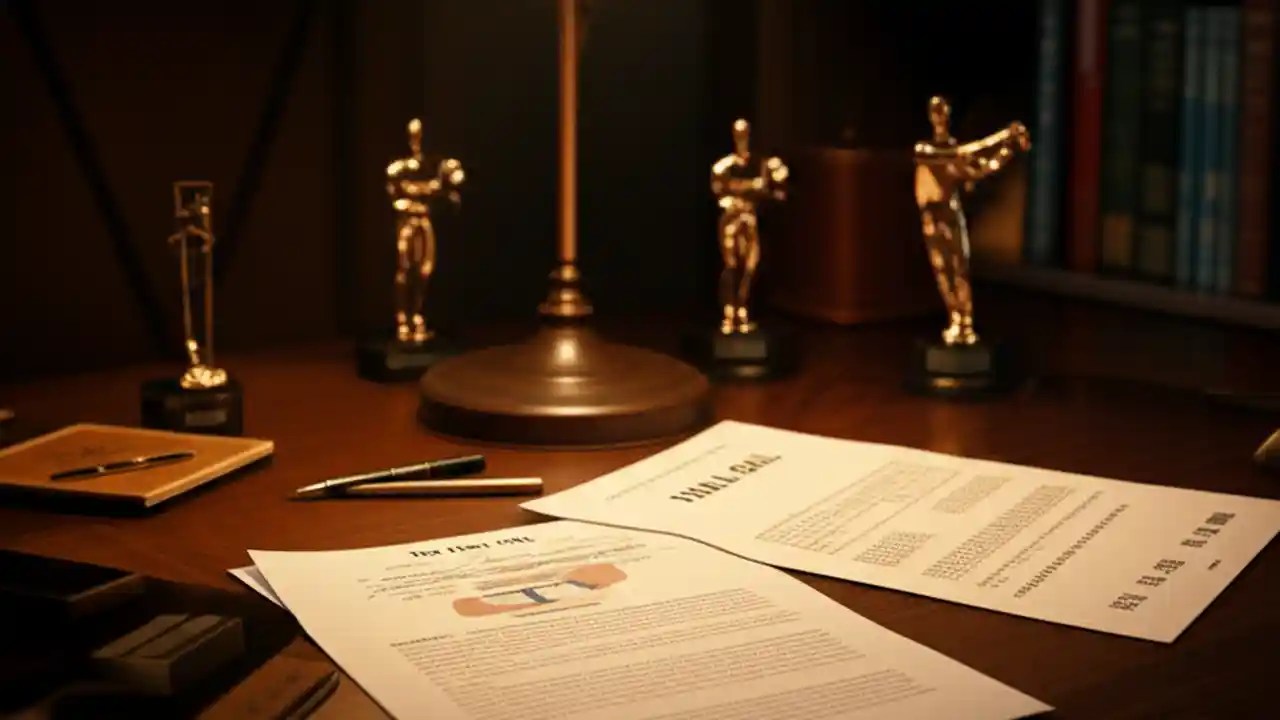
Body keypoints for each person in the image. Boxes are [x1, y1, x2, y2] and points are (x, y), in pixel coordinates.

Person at [913, 96, 1029, 347]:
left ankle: (964, 321)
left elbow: (982, 168)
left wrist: (1007, 149)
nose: (939, 117)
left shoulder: (953, 159)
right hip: (930, 219)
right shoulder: (927, 150)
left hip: (949, 217)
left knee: (959, 269)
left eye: (942, 112)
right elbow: (967, 152)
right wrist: (1003, 135)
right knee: (942, 270)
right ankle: (955, 318)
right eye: (935, 112)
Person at [386, 118, 465, 344]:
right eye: (414, 136)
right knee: (404, 270)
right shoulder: (397, 169)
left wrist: (437, 189)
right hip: (407, 224)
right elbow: (396, 199)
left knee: (424, 272)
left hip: (424, 223)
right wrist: (427, 192)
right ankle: (402, 319)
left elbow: (449, 190)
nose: (418, 141)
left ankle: (417, 315)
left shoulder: (435, 168)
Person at [711, 119, 788, 335]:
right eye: (738, 134)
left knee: (751, 266)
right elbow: (721, 193)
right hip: (732, 221)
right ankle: (729, 311)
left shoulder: (761, 165)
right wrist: (750, 189)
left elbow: (777, 187)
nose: (742, 138)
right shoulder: (723, 167)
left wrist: (776, 176)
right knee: (731, 266)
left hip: (750, 220)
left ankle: (742, 307)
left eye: (745, 134)